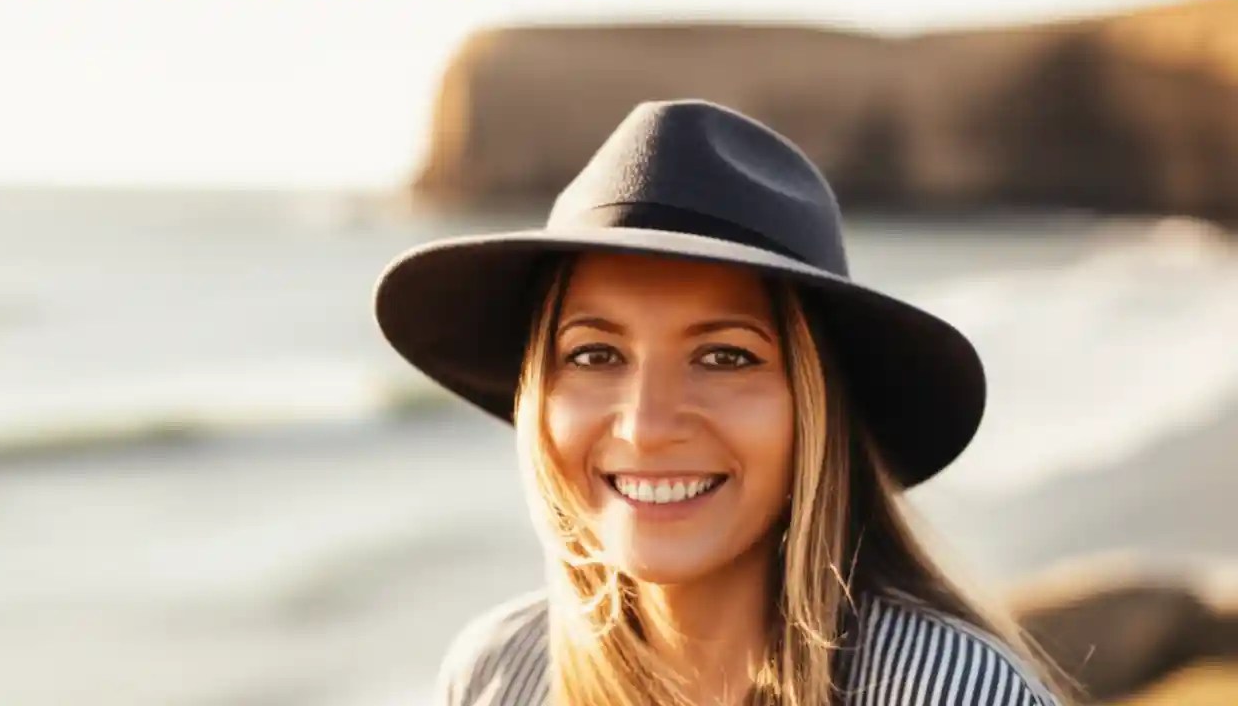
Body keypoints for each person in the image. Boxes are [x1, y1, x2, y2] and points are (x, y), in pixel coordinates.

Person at [373, 100, 1071, 705]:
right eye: (594, 354)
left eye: (726, 356)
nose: (646, 427)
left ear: (813, 406)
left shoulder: (946, 694)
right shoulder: (498, 675)